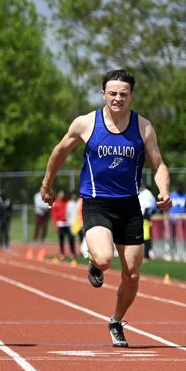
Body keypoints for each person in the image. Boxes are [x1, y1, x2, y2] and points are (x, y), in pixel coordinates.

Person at [41, 69, 171, 348]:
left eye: (123, 94)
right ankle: (93, 262)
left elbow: (158, 163)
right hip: (97, 203)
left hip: (129, 205)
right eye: (112, 93)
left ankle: (115, 321)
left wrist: (164, 190)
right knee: (103, 259)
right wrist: (47, 183)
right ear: (103, 94)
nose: (117, 98)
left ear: (131, 96)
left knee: (133, 273)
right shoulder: (86, 123)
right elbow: (60, 151)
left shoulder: (143, 126)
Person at [52, 189, 75, 258]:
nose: (62, 195)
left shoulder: (68, 202)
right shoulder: (56, 203)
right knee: (61, 239)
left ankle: (72, 252)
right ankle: (62, 253)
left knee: (71, 238)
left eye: (63, 194)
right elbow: (54, 215)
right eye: (61, 193)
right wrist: (55, 225)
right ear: (58, 195)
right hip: (60, 224)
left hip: (68, 223)